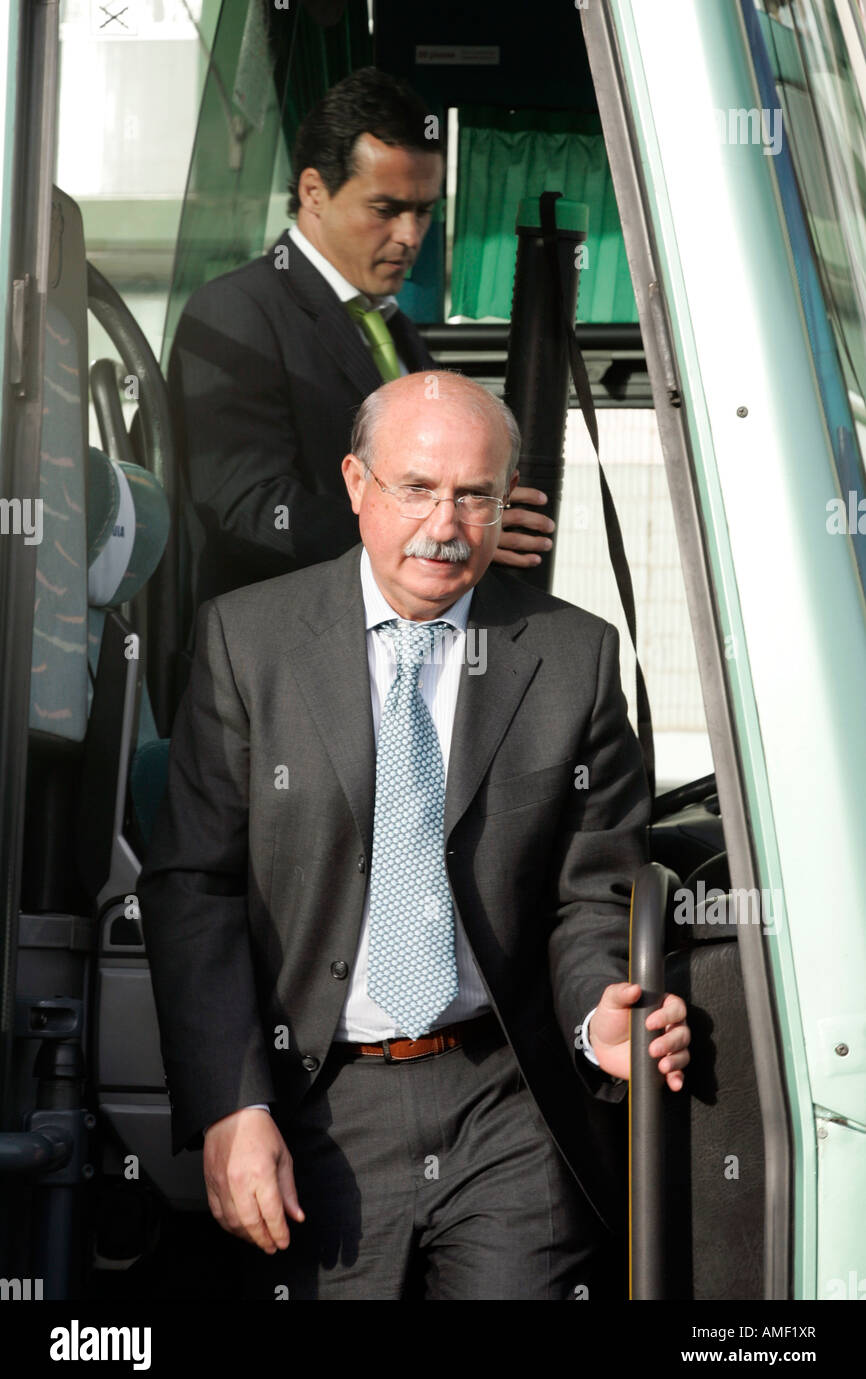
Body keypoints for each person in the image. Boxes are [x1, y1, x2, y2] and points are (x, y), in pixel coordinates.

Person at [138, 372, 690, 1300]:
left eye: (477, 496)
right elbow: (194, 885)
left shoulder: (574, 657)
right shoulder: (248, 641)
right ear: (357, 484)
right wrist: (232, 1105)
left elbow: (592, 886)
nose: (447, 526)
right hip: (316, 1102)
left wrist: (601, 1012)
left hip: (505, 1096)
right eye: (418, 489)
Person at [169, 67, 555, 616]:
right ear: (313, 192)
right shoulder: (237, 312)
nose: (410, 236)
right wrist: (442, 539)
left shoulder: (389, 325)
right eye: (386, 209)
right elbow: (248, 512)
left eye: (423, 211)